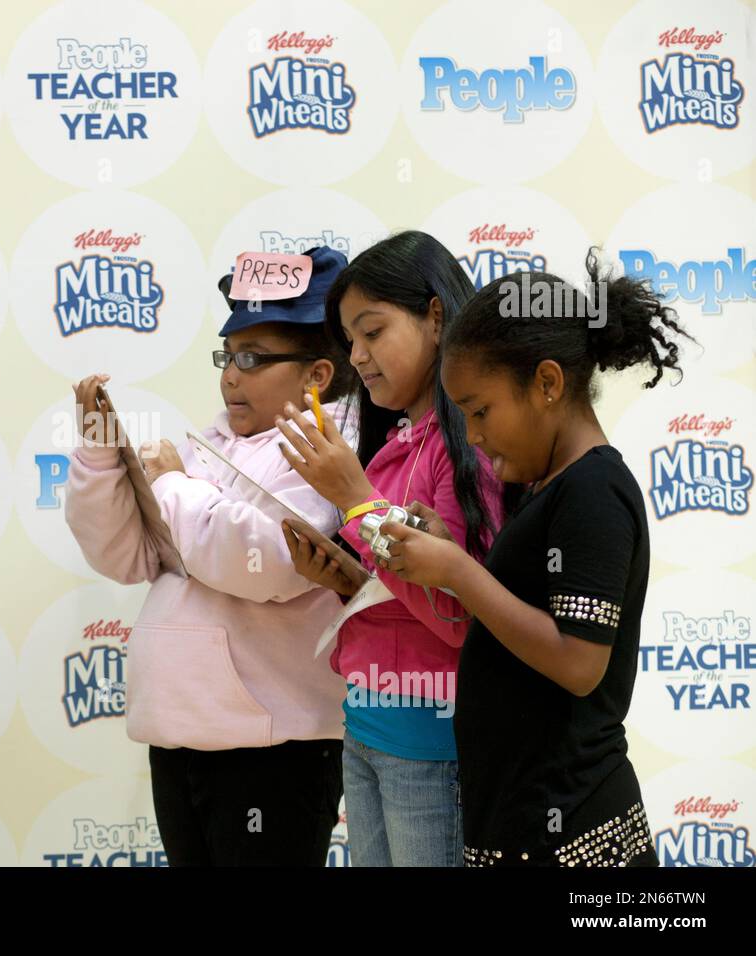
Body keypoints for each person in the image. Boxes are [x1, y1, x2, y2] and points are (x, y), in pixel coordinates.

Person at [375, 251, 690, 866]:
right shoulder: (544, 487)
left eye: (480, 410)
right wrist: (447, 546)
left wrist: (459, 573)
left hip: (575, 838)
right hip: (523, 827)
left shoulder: (595, 491)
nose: (473, 434)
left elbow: (578, 662)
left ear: (547, 383)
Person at [66, 246, 360, 865]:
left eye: (252, 359)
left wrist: (173, 486)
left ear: (317, 376)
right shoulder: (209, 443)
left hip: (273, 748)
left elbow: (272, 563)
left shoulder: (330, 449)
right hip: (179, 735)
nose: (230, 375)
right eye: (227, 357)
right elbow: (129, 556)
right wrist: (99, 453)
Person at [276, 231, 505, 867]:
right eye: (350, 340)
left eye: (372, 332)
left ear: (436, 316)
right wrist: (345, 579)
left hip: (431, 740)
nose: (358, 356)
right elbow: (406, 596)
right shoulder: (390, 446)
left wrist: (356, 501)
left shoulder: (464, 453)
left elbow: (460, 618)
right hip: (366, 724)